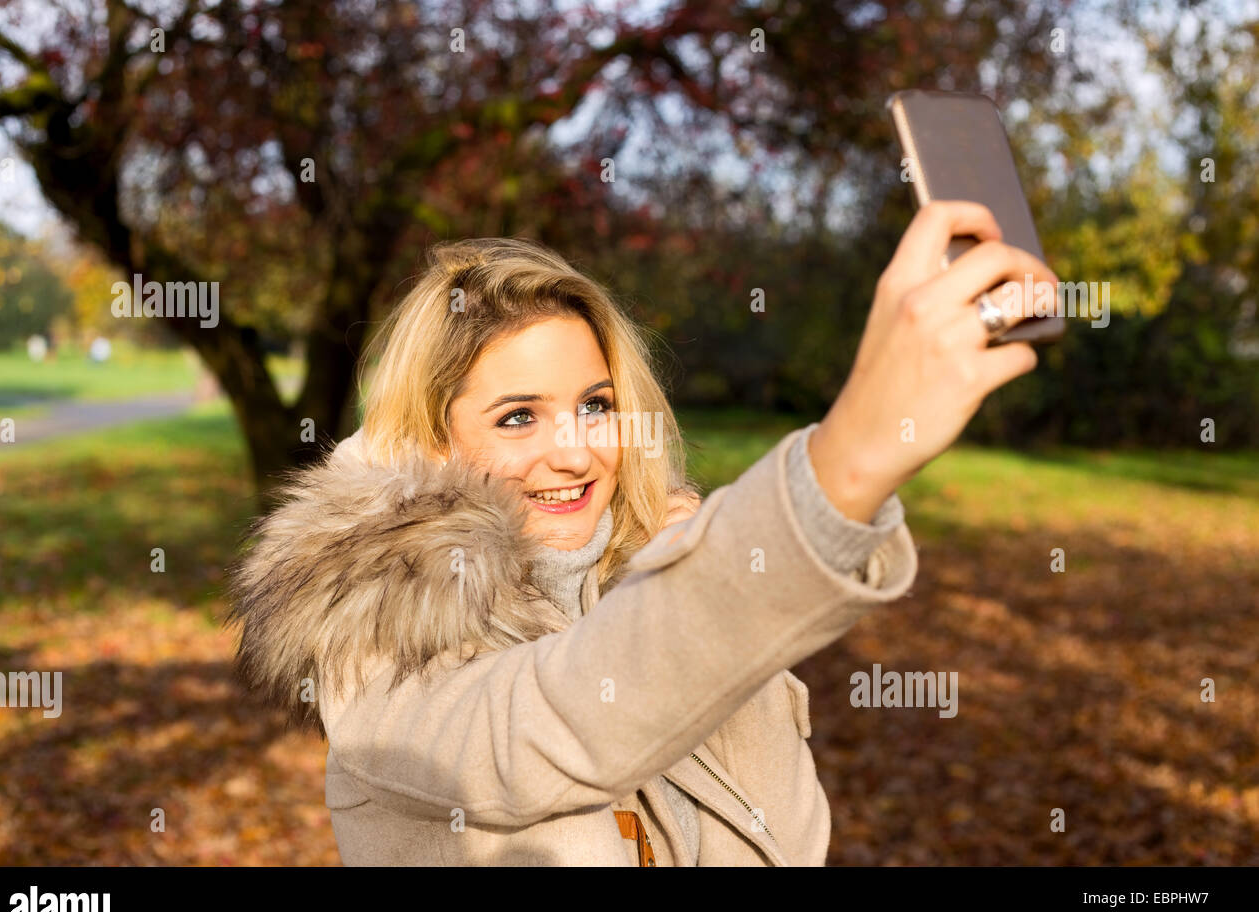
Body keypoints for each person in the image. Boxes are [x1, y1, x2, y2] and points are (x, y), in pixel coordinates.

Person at [226, 200, 1057, 866]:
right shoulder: (377, 632)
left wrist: (679, 578)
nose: (577, 451)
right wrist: (845, 464)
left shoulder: (656, 567)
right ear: (433, 444)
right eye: (519, 417)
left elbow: (790, 839)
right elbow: (545, 724)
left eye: (595, 405)